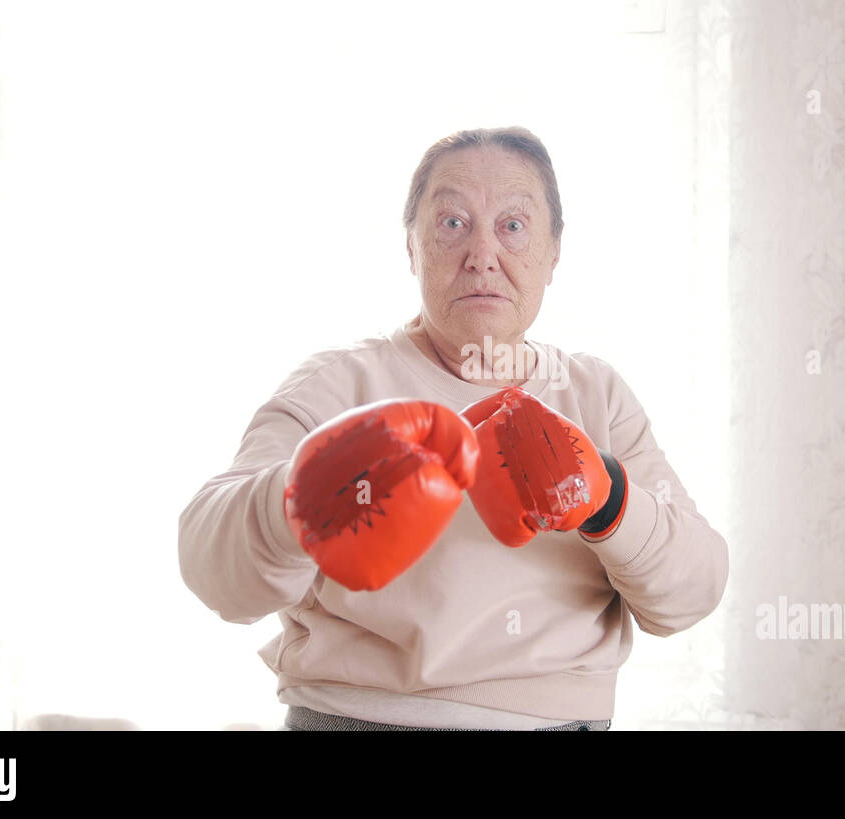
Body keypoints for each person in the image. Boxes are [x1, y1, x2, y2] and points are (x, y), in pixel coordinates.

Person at [178, 126, 729, 731]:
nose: (482, 254)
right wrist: (293, 503)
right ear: (412, 249)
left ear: (553, 255)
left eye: (513, 226)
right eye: (452, 223)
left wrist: (611, 500)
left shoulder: (597, 393)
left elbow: (692, 594)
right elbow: (210, 569)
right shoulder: (338, 384)